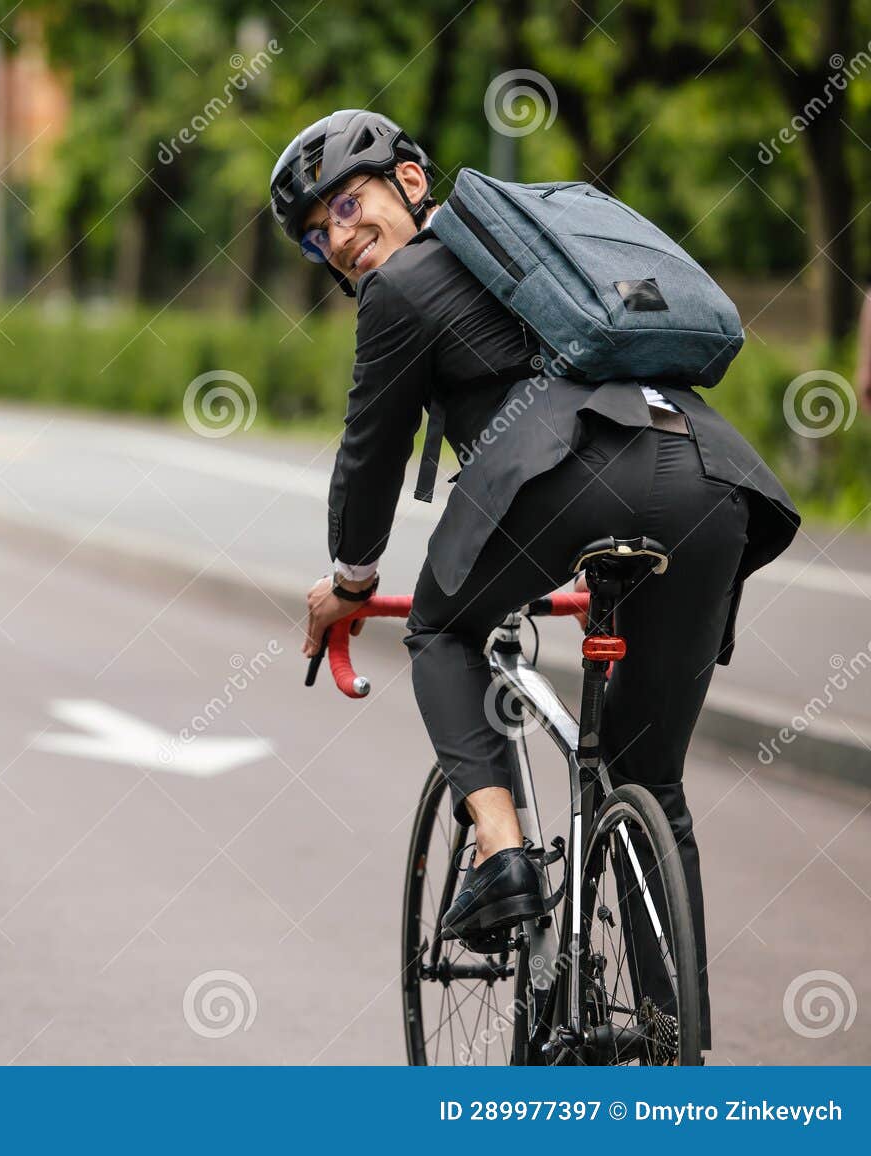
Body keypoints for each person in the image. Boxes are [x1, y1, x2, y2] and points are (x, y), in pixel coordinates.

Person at [270, 109, 802, 1052]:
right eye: (320, 236)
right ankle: (676, 1047)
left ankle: (503, 853)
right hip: (711, 482)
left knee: (438, 631)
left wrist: (352, 583)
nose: (343, 242)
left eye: (349, 206)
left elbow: (370, 457)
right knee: (650, 782)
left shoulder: (407, 286)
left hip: (571, 481)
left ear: (412, 183)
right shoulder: (539, 256)